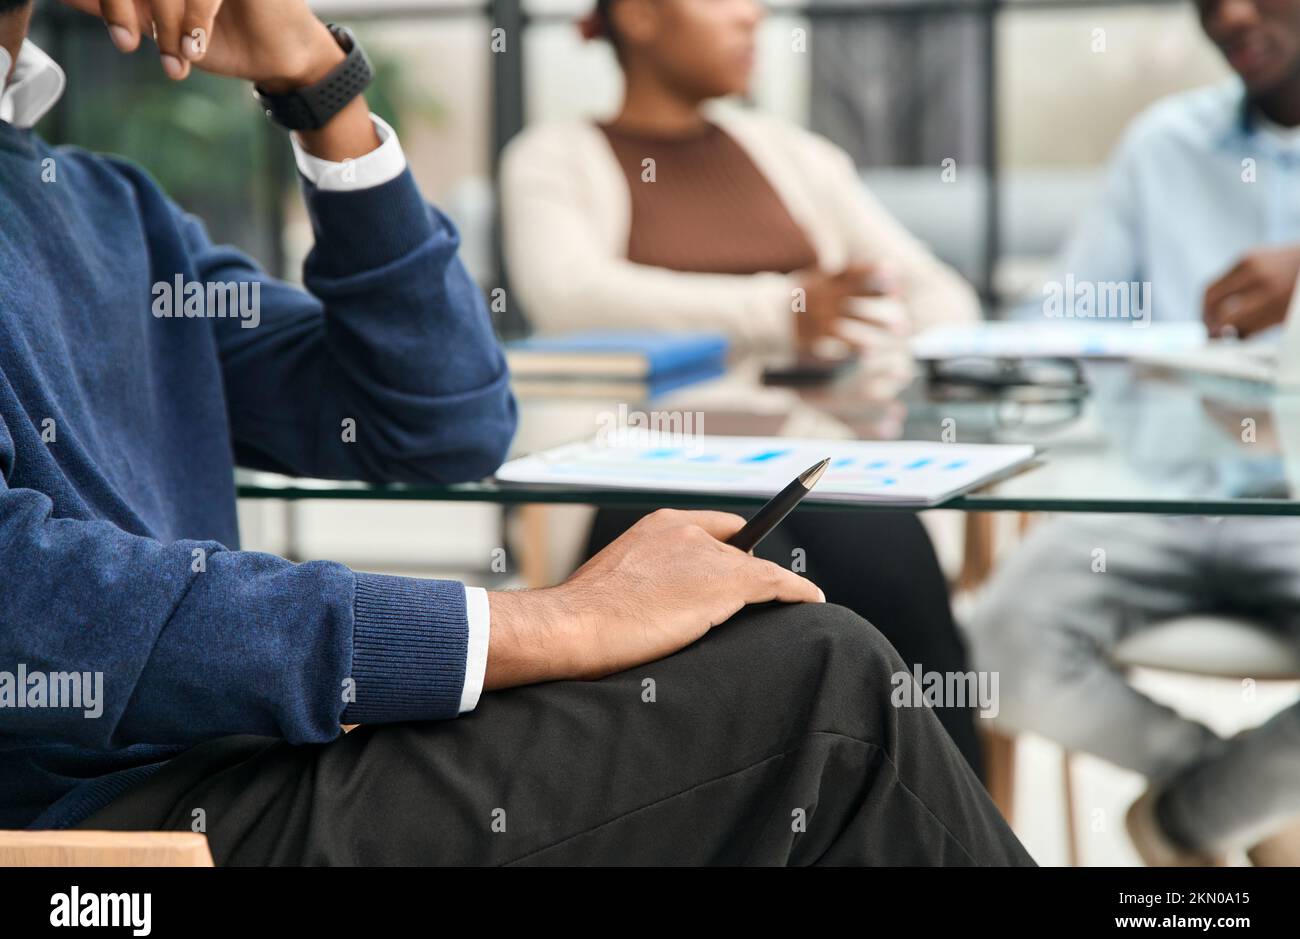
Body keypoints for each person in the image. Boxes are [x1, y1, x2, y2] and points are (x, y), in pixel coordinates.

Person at [0, 0, 1032, 866]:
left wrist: (319, 87)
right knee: (821, 689)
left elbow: (440, 419)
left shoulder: (107, 208)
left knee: (782, 649)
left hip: (239, 764)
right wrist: (551, 624)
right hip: (98, 833)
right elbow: (28, 600)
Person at [500, 0, 989, 774]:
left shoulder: (796, 155)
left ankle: (949, 833)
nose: (751, 16)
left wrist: (852, 323)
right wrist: (786, 309)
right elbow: (570, 294)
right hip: (639, 469)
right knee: (747, 606)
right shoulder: (554, 157)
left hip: (813, 456)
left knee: (890, 568)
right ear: (639, 16)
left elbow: (941, 296)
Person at [967, 0, 1300, 865]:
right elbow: (1065, 318)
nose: (1229, 13)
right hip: (1161, 497)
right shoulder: (1165, 145)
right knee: (995, 645)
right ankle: (1230, 799)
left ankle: (1186, 826)